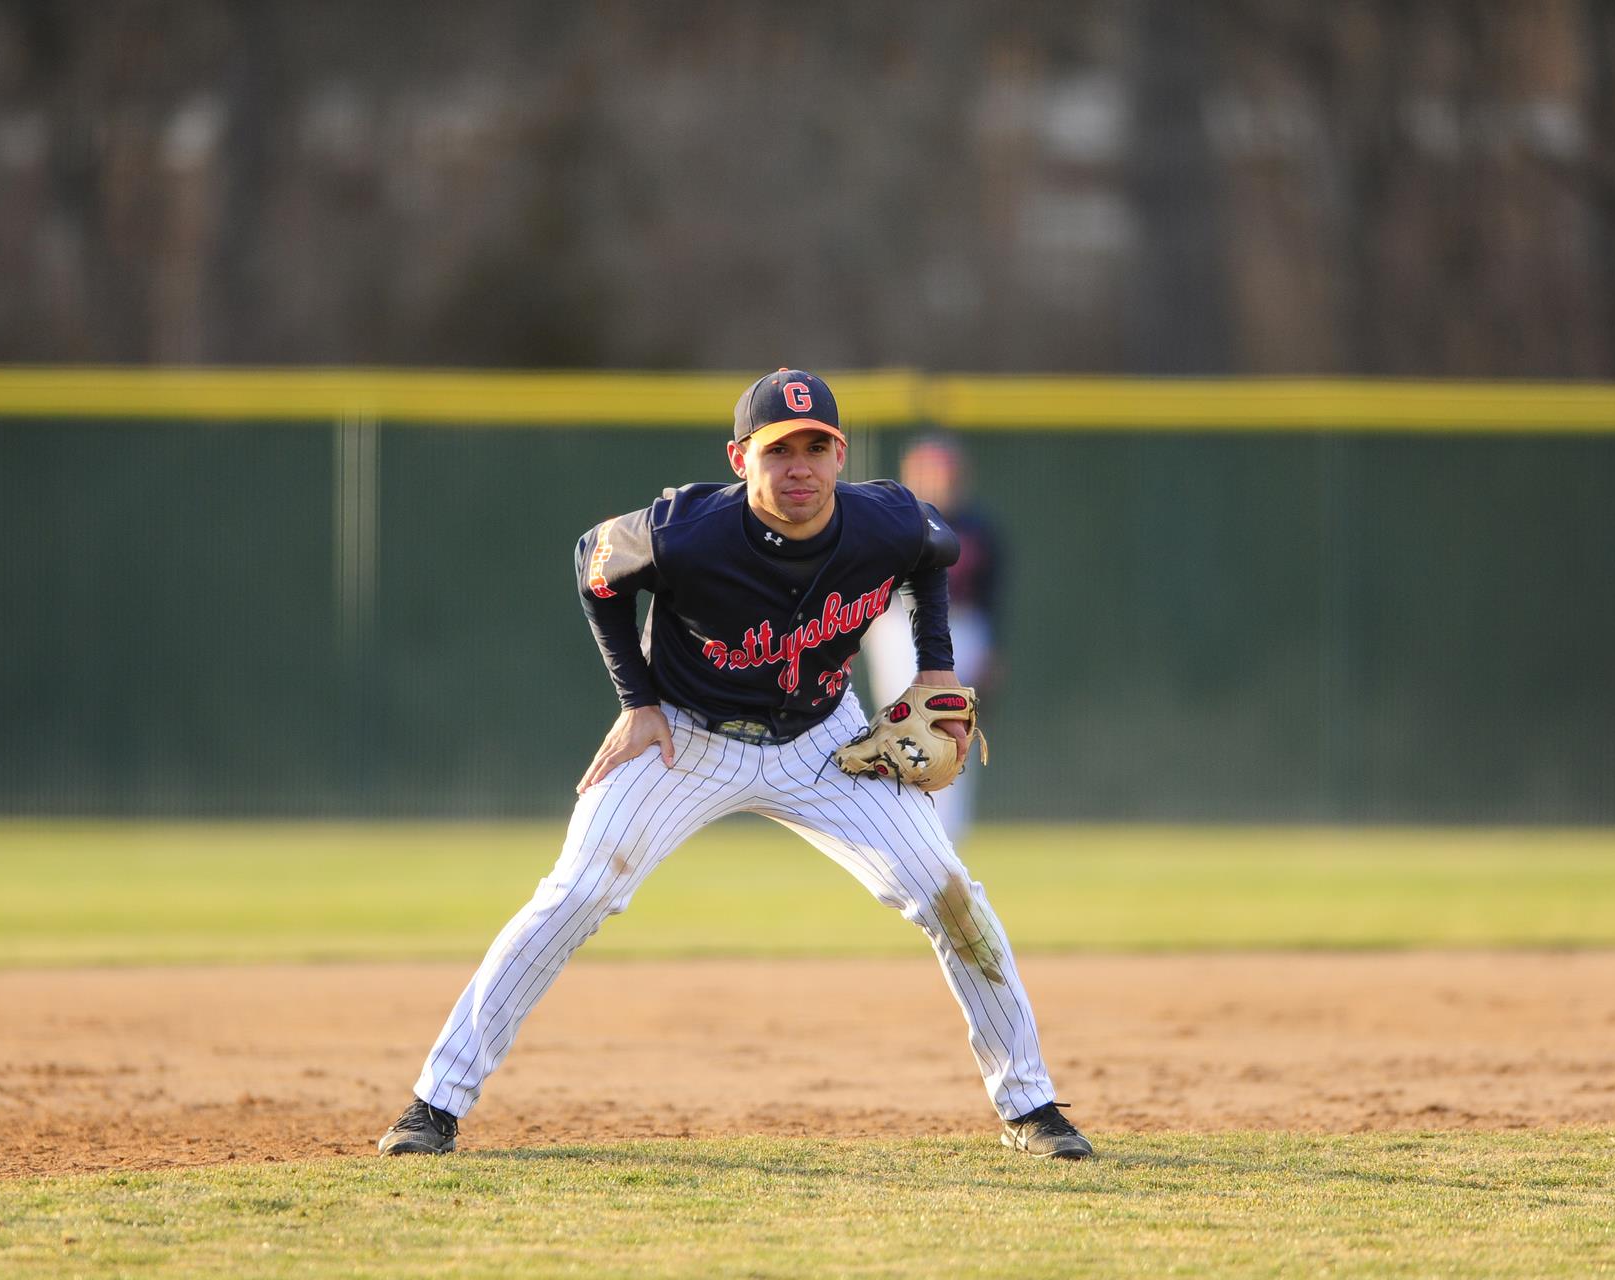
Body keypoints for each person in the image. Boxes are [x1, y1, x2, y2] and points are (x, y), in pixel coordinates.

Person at [377, 369, 1090, 1161]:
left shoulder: (883, 519)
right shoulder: (689, 530)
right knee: (578, 890)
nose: (801, 468)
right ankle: (433, 1105)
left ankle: (1030, 1108)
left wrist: (935, 667)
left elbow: (936, 553)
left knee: (951, 895)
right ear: (741, 455)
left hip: (823, 742)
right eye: (780, 449)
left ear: (840, 454)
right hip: (686, 737)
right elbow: (594, 565)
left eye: (817, 447)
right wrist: (636, 699)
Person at [862, 436, 1006, 843]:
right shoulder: (891, 521)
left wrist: (993, 648)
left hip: (963, 628)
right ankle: (903, 825)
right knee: (905, 726)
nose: (936, 479)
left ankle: (944, 833)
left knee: (953, 729)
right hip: (896, 626)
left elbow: (992, 596)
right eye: (926, 470)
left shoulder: (979, 529)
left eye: (943, 471)